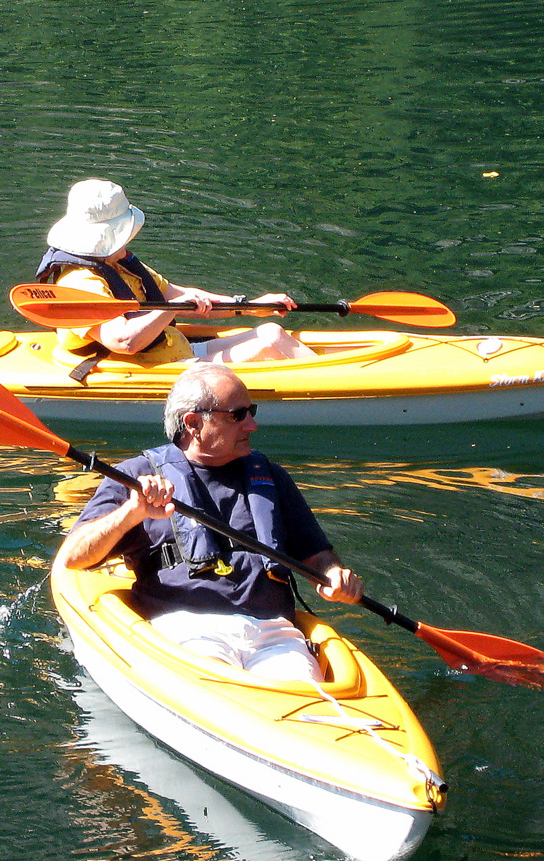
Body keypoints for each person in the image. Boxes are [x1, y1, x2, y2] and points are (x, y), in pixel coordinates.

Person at [53, 363, 362, 683]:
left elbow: (316, 555)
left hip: (274, 633)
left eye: (251, 411)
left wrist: (334, 574)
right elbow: (74, 557)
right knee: (224, 683)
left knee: (303, 692)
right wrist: (132, 513)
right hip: (187, 627)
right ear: (193, 423)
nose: (252, 425)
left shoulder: (270, 477)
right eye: (238, 415)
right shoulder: (136, 475)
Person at [36, 179, 316, 367]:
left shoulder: (118, 262)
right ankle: (322, 387)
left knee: (272, 333)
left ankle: (315, 374)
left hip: (175, 350)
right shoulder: (80, 282)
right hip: (153, 370)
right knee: (264, 349)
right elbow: (123, 341)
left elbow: (181, 296)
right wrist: (169, 309)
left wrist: (250, 307)